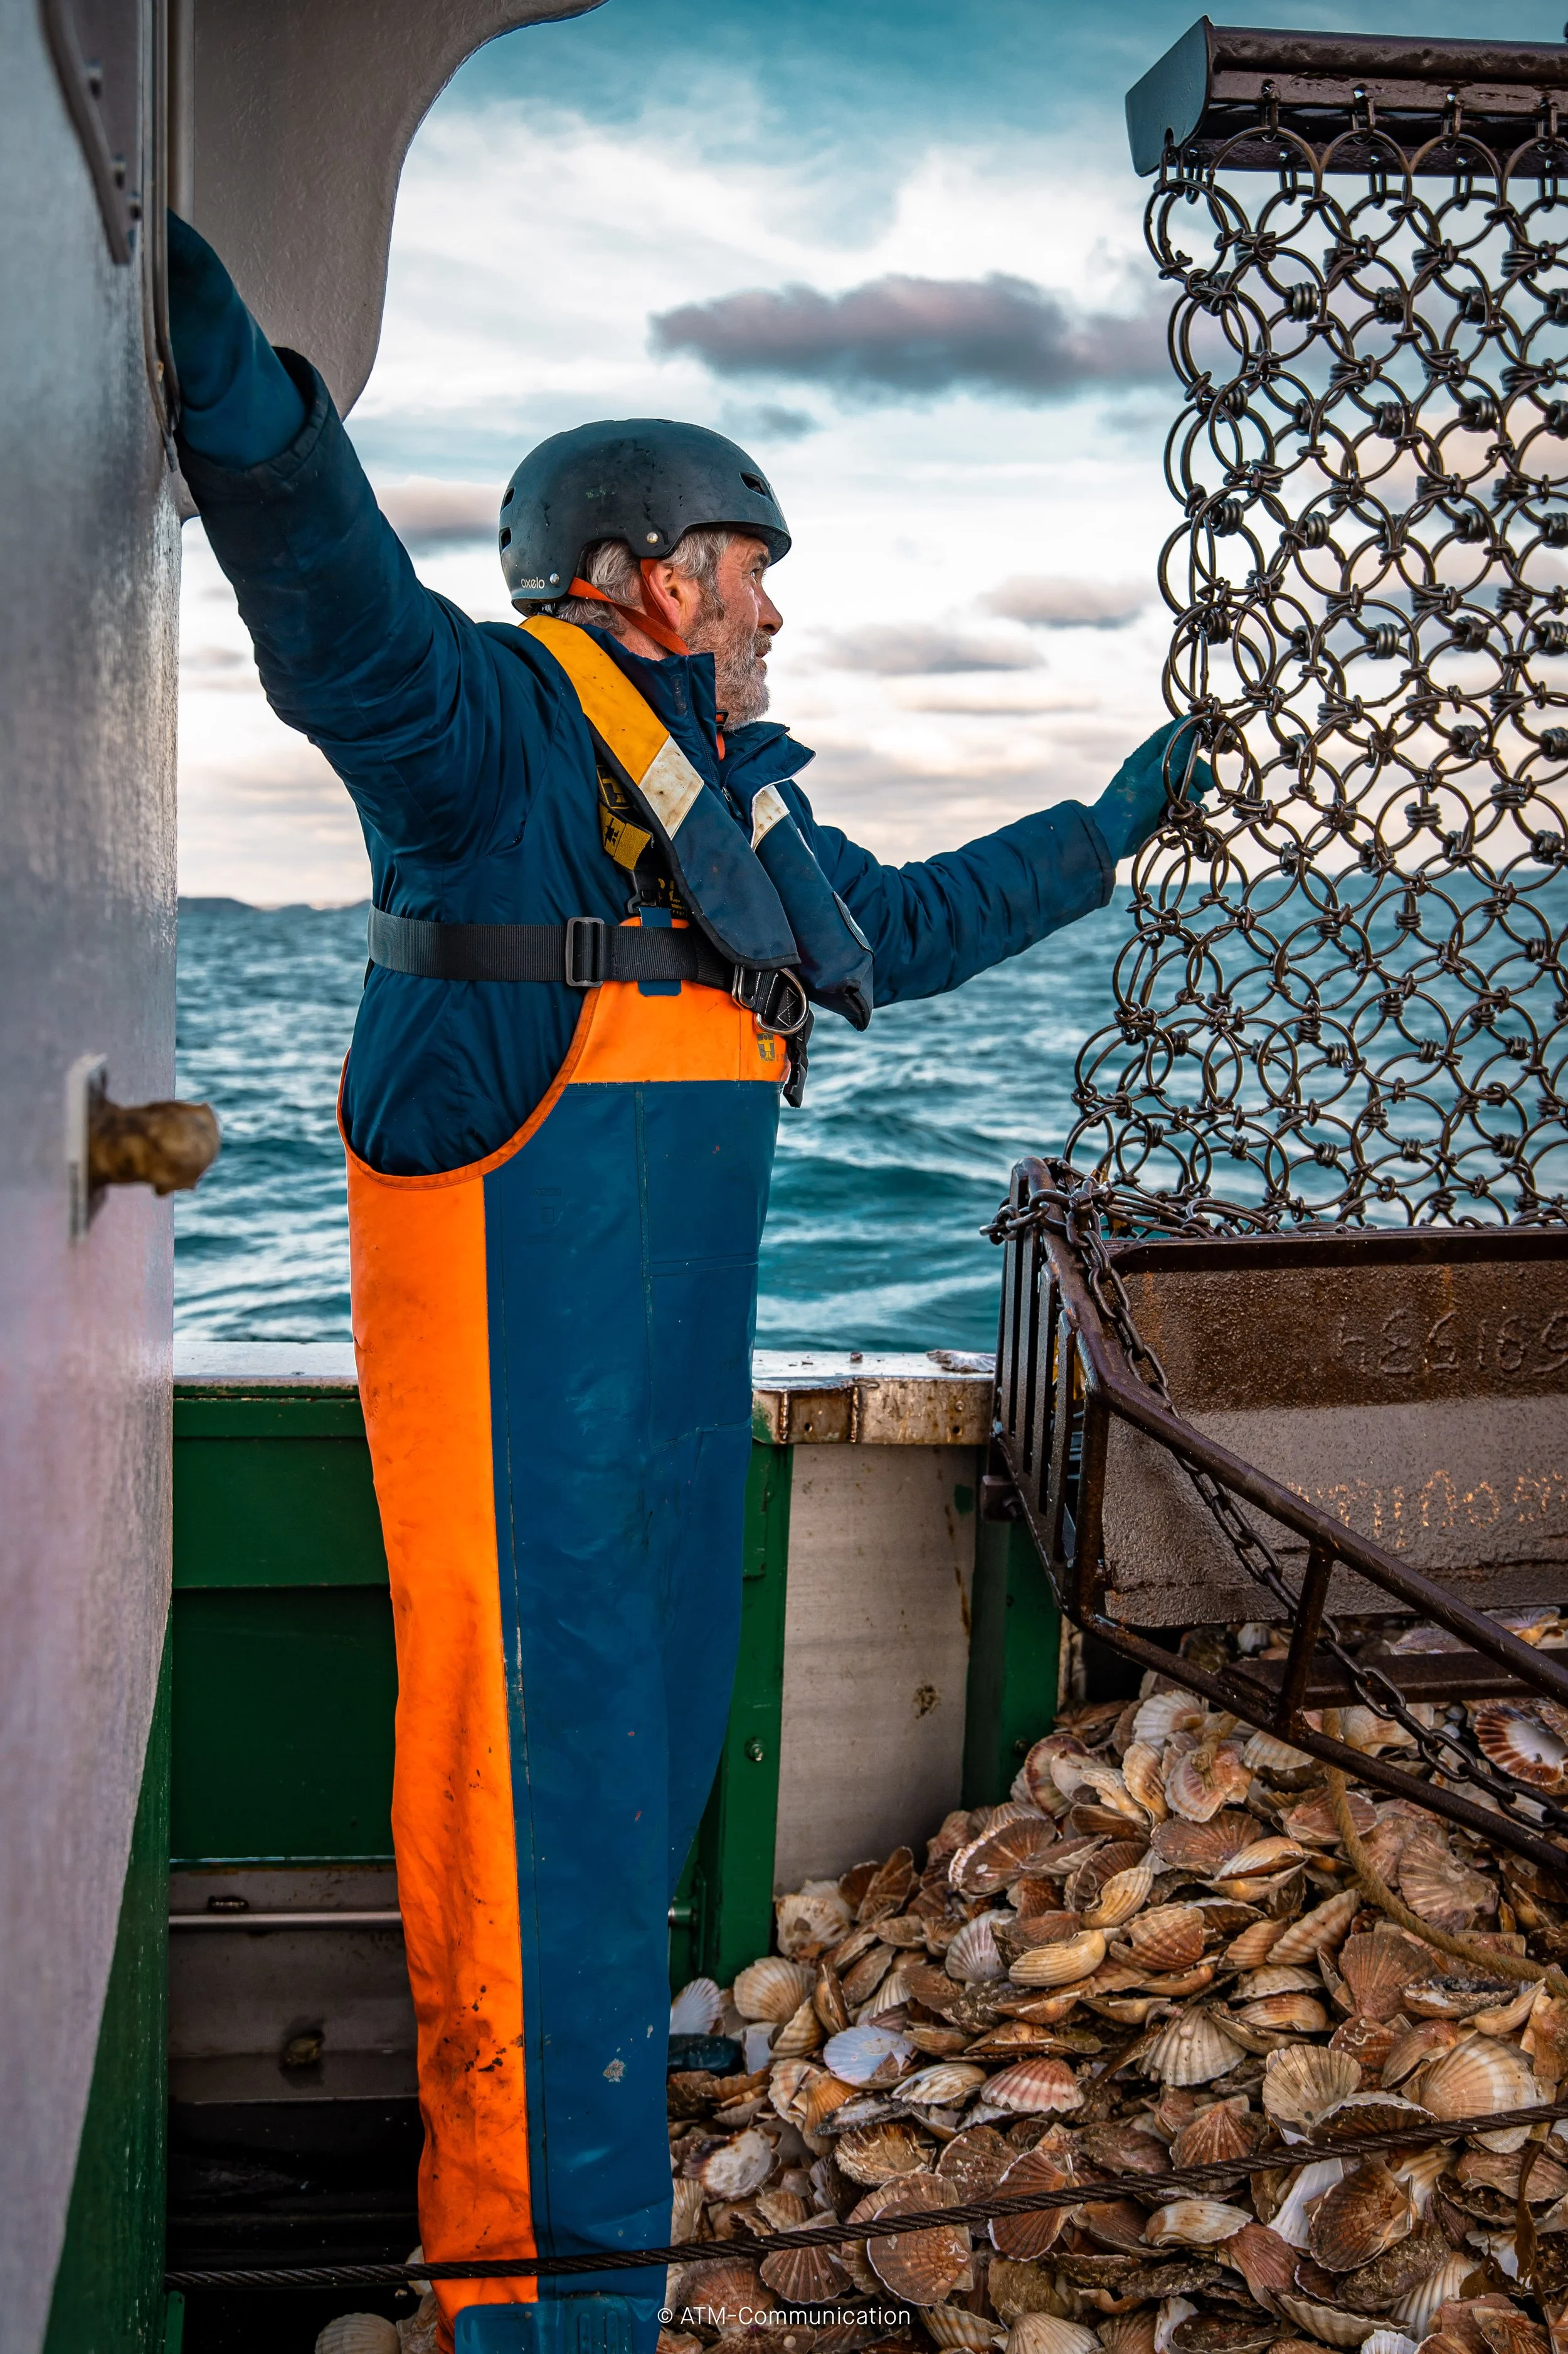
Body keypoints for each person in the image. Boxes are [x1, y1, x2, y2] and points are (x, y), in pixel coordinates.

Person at [164, 213, 1212, 2354]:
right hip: (521, 1427)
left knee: (627, 1824)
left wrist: (1099, 834)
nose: (769, 608)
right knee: (521, 1834)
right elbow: (329, 599)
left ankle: (602, 2260)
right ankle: (532, 2314)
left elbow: (894, 935)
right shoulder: (482, 746)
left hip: (662, 1434)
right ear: (638, 573)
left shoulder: (732, 809)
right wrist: (247, 403)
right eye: (745, 563)